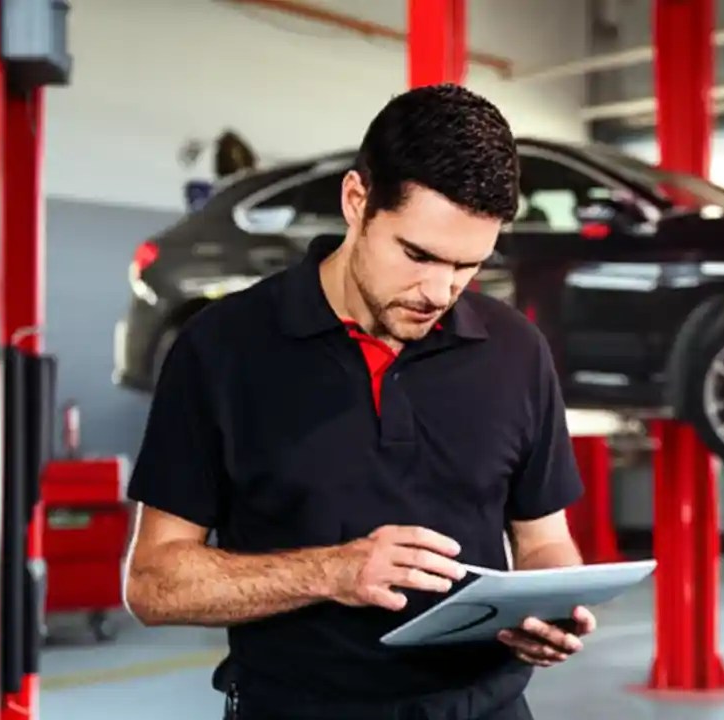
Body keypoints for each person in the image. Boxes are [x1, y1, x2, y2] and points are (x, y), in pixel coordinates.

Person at [122, 83, 594, 720]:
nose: (439, 291)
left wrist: (550, 607)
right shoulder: (223, 348)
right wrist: (331, 572)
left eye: (467, 266)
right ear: (356, 201)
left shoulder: (517, 352)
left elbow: (544, 543)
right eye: (417, 254)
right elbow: (153, 584)